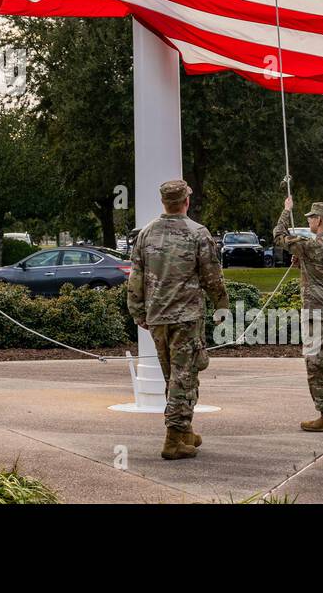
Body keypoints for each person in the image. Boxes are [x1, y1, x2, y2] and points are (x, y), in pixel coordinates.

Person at [126, 179, 227, 460]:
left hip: (157, 317)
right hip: (186, 317)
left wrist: (137, 312)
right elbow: (212, 277)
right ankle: (172, 439)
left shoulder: (146, 234)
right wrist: (222, 306)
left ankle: (185, 431)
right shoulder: (198, 233)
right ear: (186, 201)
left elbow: (135, 279)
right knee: (184, 376)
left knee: (174, 376)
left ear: (164, 202)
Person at [273, 196, 323, 432]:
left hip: (318, 313)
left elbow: (278, 236)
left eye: (311, 218)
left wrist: (286, 211)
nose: (309, 222)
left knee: (316, 364)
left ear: (319, 220)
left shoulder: (312, 245)